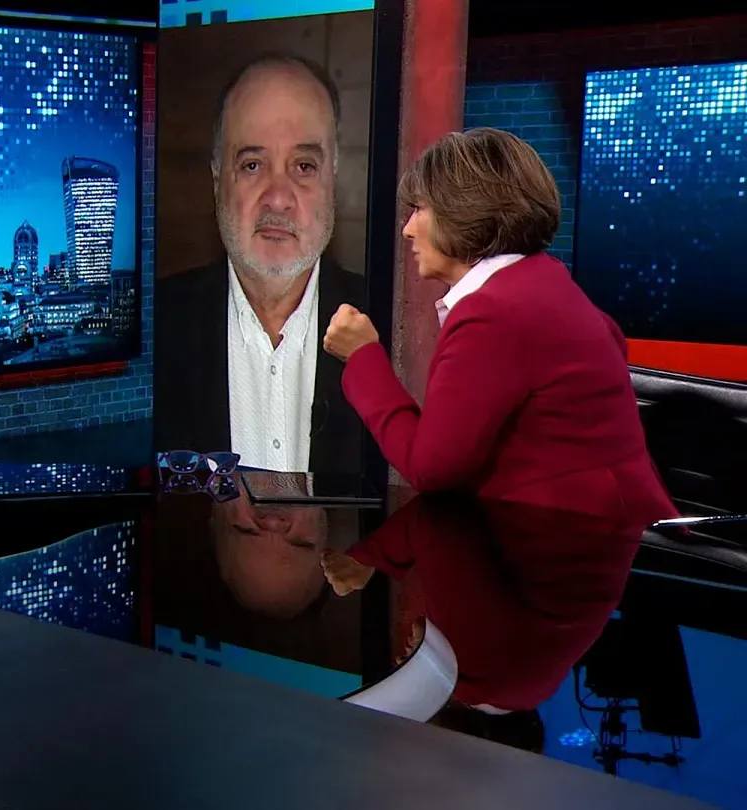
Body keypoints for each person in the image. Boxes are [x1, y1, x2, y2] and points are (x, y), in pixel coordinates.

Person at [322, 127, 675, 525]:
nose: (407, 228)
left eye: (419, 209)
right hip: (595, 535)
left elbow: (431, 469)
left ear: (464, 210)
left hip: (565, 546)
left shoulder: (494, 314)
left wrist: (363, 355)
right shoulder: (543, 283)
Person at [155, 52, 365, 473]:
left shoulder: (395, 330)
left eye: (304, 166)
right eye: (252, 165)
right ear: (217, 178)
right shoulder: (155, 330)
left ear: (333, 178)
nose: (278, 198)